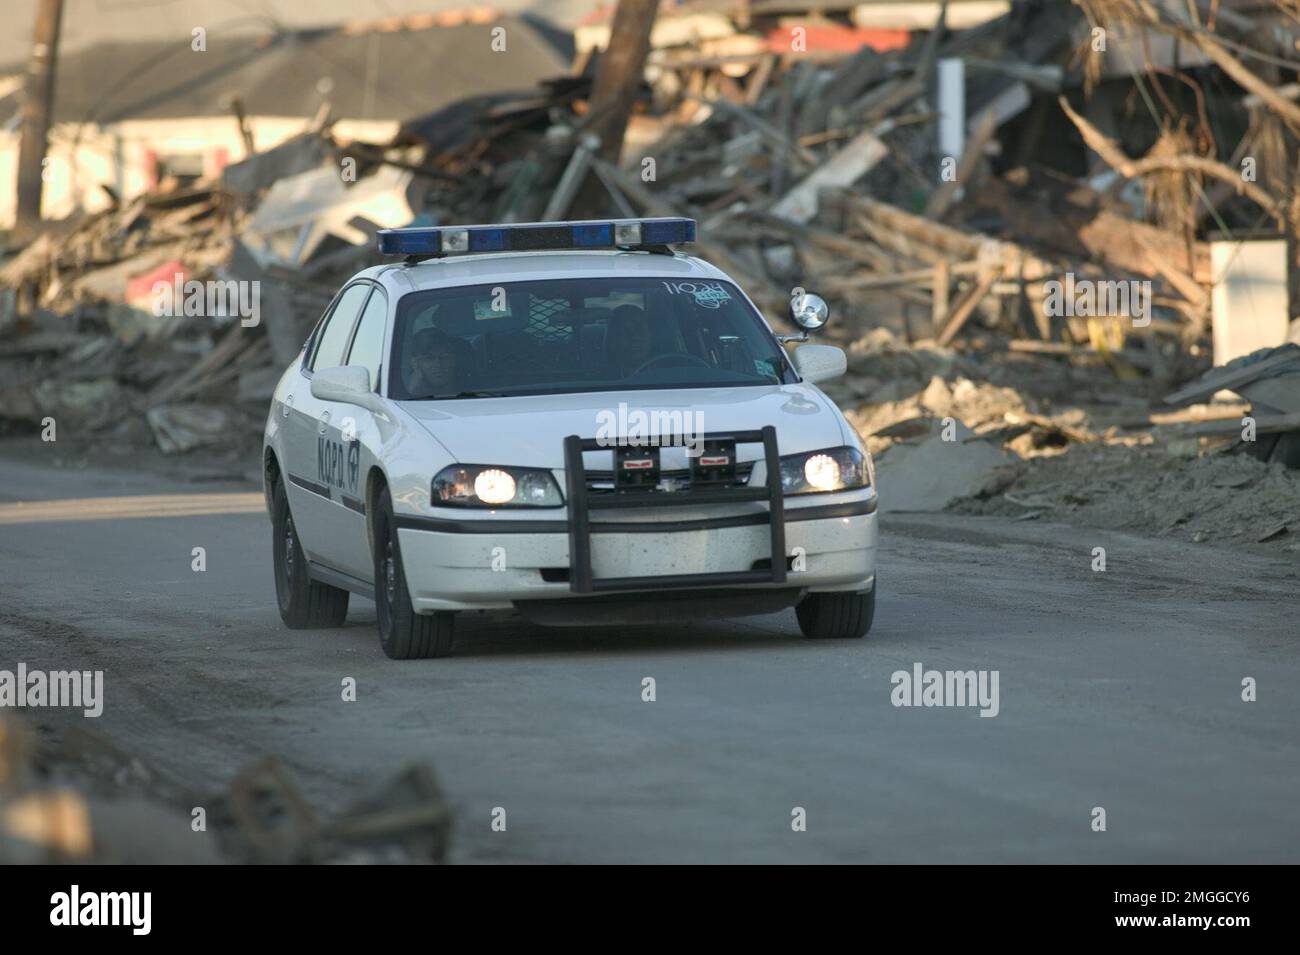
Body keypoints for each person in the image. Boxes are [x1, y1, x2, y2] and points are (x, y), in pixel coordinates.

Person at [405, 329, 460, 396]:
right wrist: (412, 390)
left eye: (444, 357)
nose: (438, 364)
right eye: (429, 358)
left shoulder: (471, 388)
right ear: (415, 363)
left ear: (453, 360)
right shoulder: (397, 396)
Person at [605, 305, 653, 376]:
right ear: (612, 341)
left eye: (640, 330)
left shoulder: (669, 372)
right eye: (626, 331)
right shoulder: (599, 381)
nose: (635, 337)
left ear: (651, 336)